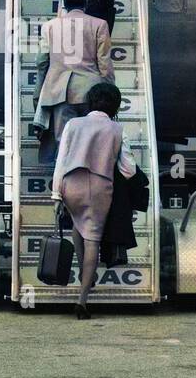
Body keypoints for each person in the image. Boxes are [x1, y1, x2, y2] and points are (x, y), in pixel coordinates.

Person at [51, 81, 136, 319]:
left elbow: (61, 161)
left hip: (71, 185)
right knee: (93, 241)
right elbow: (128, 170)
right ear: (115, 106)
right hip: (99, 188)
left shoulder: (73, 124)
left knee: (79, 228)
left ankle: (84, 276)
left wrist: (56, 194)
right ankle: (82, 301)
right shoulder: (118, 129)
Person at [31, 0, 113, 163]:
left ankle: (64, 186)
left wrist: (39, 93)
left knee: (64, 143)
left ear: (64, 4)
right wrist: (110, 95)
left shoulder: (49, 27)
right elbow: (104, 64)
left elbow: (42, 62)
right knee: (92, 144)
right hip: (92, 93)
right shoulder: (100, 25)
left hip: (60, 93)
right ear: (86, 3)